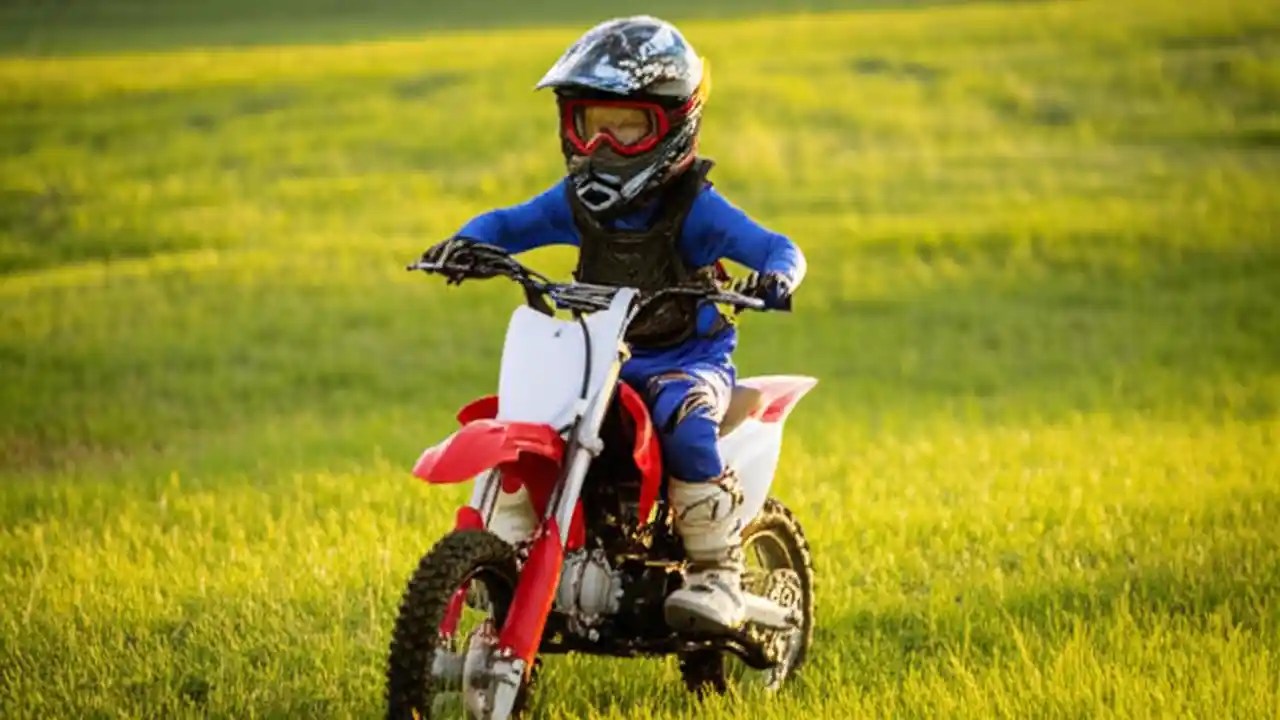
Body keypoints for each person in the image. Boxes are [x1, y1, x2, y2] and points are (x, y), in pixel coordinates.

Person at [420, 16, 806, 633]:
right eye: (592, 126)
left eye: (629, 129)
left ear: (674, 125)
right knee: (528, 417)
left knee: (681, 416)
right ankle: (509, 553)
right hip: (598, 355)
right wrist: (464, 244)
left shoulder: (695, 209)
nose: (604, 146)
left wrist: (778, 277)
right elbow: (508, 223)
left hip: (684, 359)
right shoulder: (573, 203)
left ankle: (715, 569)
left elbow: (776, 246)